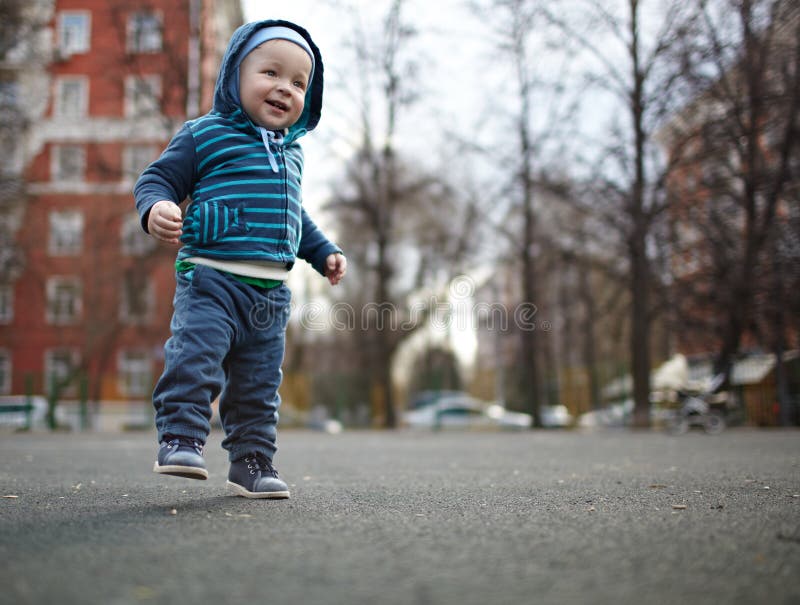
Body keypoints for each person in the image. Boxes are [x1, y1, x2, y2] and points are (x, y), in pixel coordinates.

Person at [133, 20, 346, 499]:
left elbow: (295, 217)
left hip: (269, 295)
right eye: (270, 72)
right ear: (234, 75)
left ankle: (252, 462)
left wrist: (324, 252)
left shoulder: (293, 155)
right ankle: (180, 438)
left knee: (258, 385)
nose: (283, 88)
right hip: (211, 279)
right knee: (196, 358)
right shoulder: (204, 135)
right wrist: (157, 208)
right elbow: (156, 179)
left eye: (298, 83)